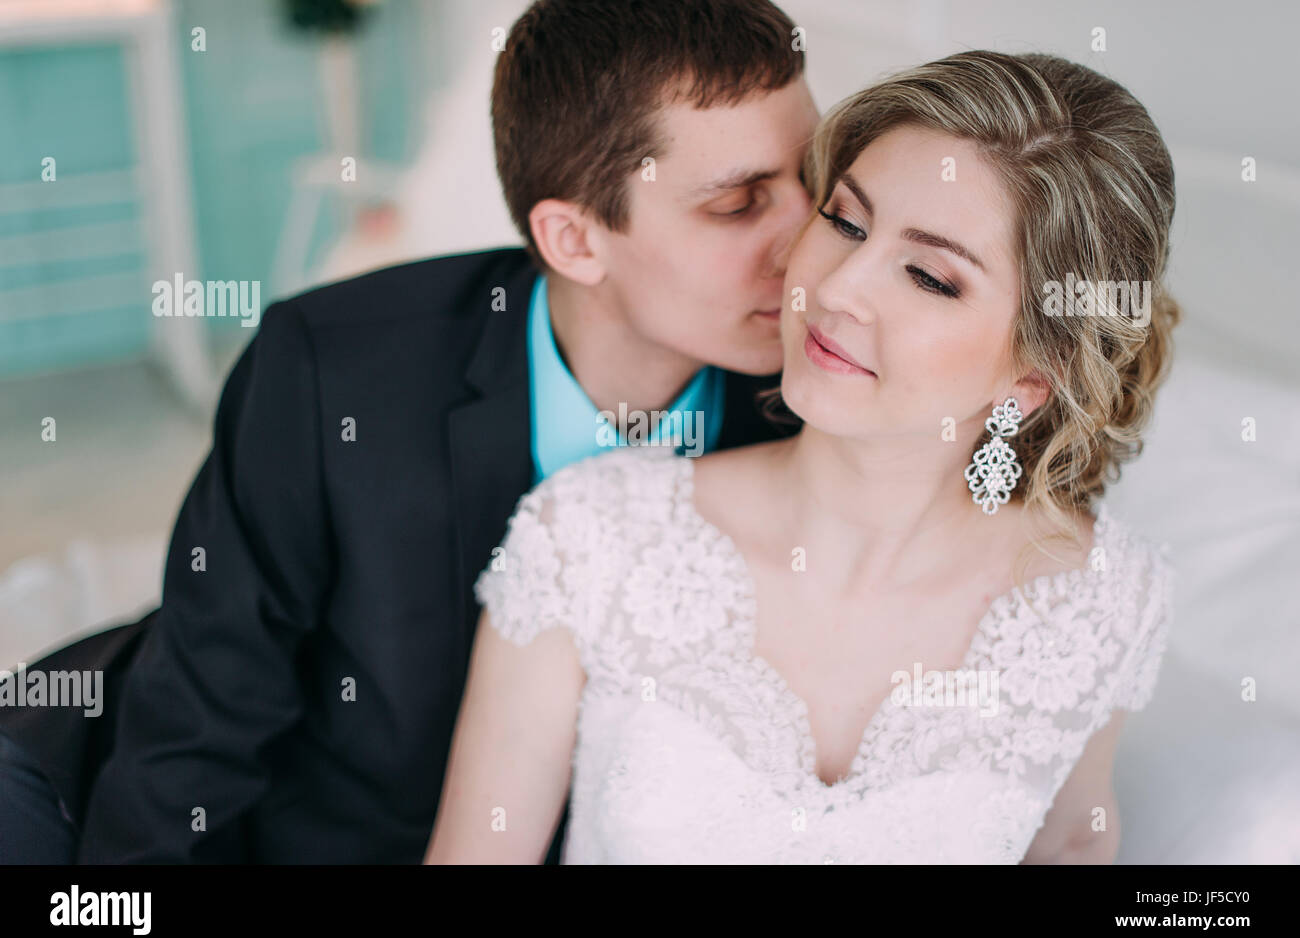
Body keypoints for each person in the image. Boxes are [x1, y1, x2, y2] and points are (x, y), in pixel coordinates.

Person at [0, 0, 817, 863]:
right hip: (120, 793)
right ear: (574, 240)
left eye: (814, 175)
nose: (808, 241)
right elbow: (199, 722)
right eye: (737, 204)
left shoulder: (815, 398)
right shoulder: (328, 371)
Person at [425, 49, 1181, 864]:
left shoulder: (1102, 607)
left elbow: (1072, 847)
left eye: (929, 276)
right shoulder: (589, 536)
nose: (837, 286)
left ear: (1035, 375)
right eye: (846, 221)